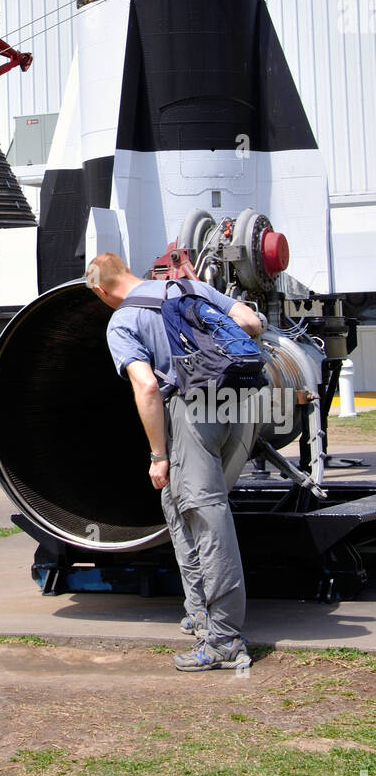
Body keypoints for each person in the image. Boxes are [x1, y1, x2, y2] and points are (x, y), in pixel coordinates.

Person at [85, 252, 265, 671]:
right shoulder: (187, 287)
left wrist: (158, 455)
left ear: (100, 289)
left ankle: (224, 639)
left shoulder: (122, 321)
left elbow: (147, 387)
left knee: (204, 515)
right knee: (181, 508)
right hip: (236, 407)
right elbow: (252, 324)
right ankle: (201, 612)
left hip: (190, 412)